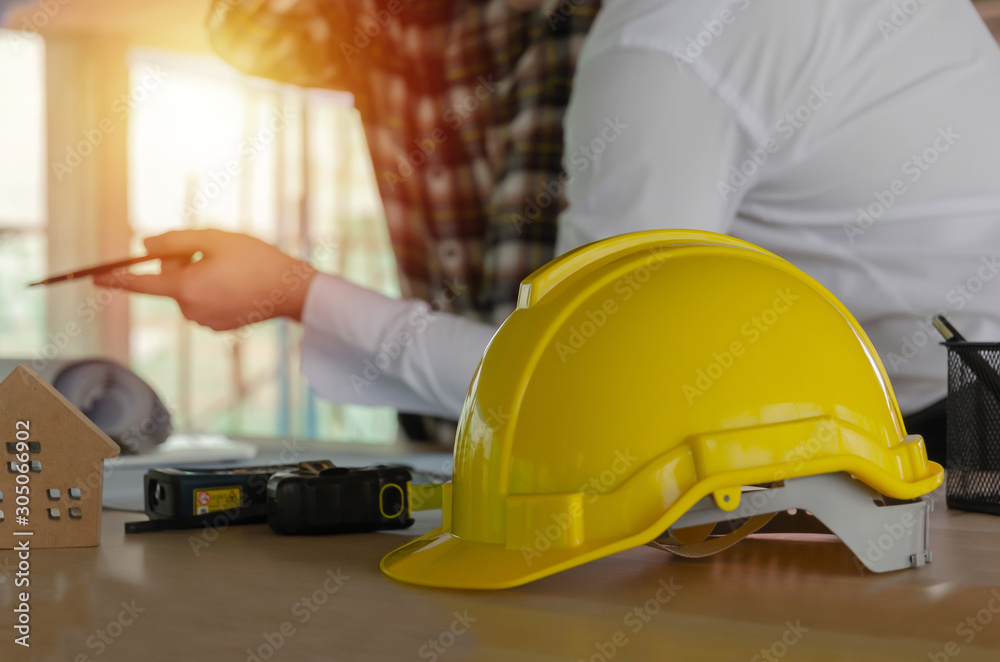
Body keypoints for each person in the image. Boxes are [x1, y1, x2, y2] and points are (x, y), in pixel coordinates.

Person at [98, 0, 1000, 462]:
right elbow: (254, 28)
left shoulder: (663, 51)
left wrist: (293, 292)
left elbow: (583, 385)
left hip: (945, 432)